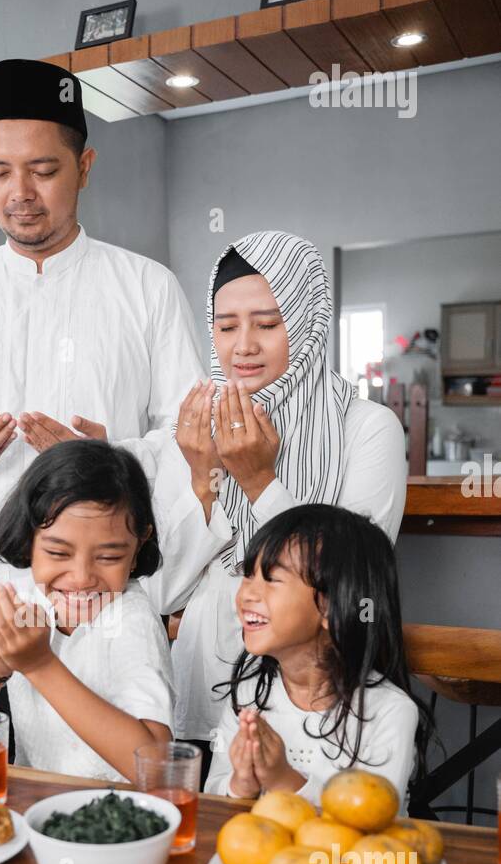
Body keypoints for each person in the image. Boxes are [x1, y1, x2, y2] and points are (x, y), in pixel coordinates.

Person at [0, 56, 203, 590]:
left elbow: (192, 437)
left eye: (43, 170)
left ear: (84, 166)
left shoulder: (148, 287)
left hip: (108, 592)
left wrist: (111, 458)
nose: (20, 194)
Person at [164, 231, 408, 766]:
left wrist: (257, 480)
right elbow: (162, 587)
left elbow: (346, 579)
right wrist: (202, 475)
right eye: (226, 326)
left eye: (269, 324)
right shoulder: (196, 430)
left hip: (324, 700)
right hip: (204, 695)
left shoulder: (368, 429)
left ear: (308, 322)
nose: (243, 345)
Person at [0, 440, 174, 782]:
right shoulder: (21, 604)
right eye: (58, 554)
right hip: (33, 812)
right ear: (28, 542)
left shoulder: (131, 620)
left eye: (108, 557)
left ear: (138, 548)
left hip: (114, 822)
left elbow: (157, 771)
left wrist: (39, 664)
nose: (81, 578)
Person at [205, 504, 431, 810]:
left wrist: (285, 780)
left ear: (330, 607)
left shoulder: (390, 713)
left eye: (271, 579)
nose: (247, 594)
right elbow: (214, 800)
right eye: (248, 575)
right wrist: (239, 785)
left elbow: (371, 825)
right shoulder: (248, 695)